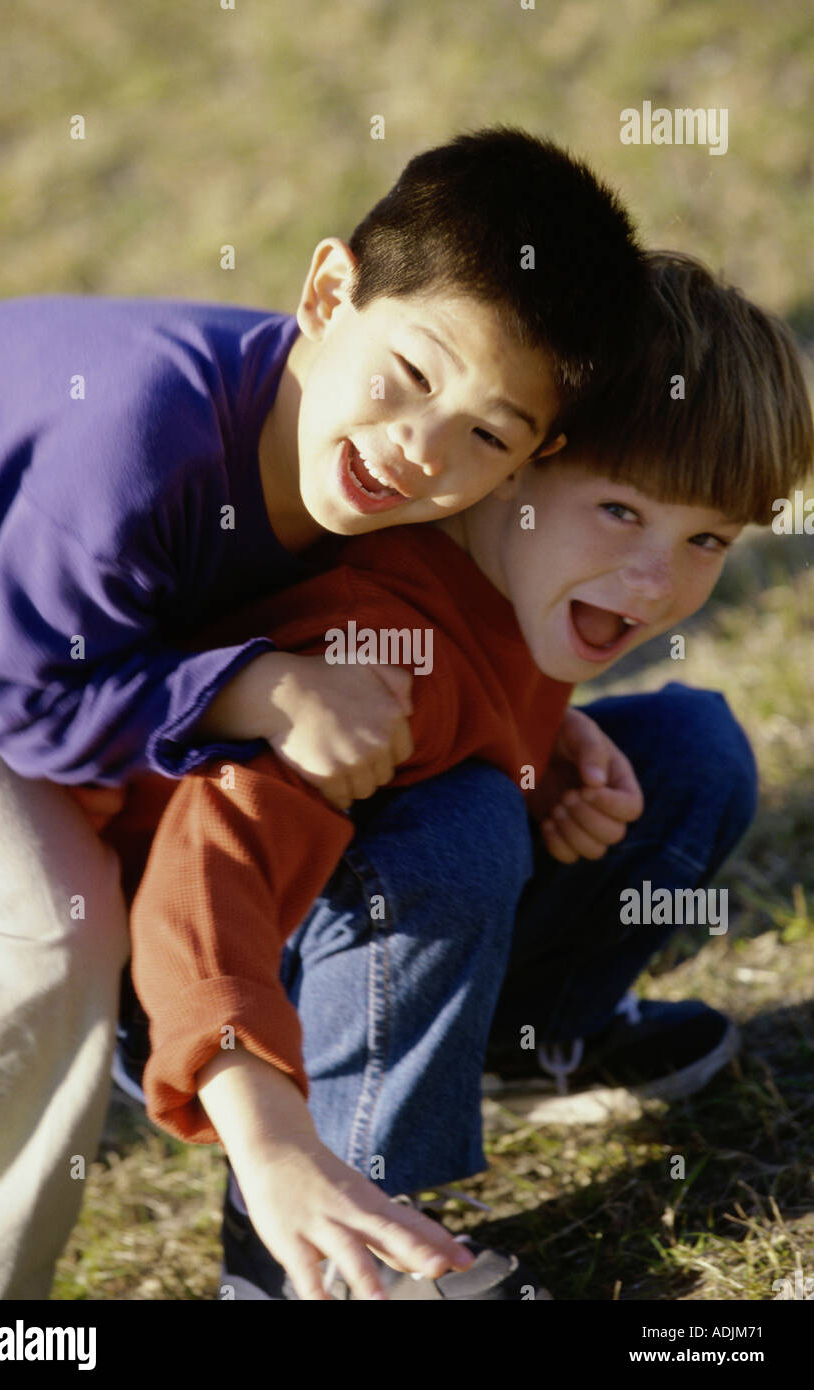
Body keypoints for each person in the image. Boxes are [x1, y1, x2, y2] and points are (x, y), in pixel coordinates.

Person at [0, 128, 646, 1298]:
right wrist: (246, 685)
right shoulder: (133, 447)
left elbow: (424, 620)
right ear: (328, 294)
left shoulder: (367, 466)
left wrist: (533, 720)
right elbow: (25, 699)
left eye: (485, 434)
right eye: (411, 374)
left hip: (35, 617)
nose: (414, 452)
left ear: (530, 457)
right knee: (51, 926)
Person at [115, 253, 814, 1299]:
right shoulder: (370, 646)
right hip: (207, 993)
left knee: (690, 749)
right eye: (620, 511)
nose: (655, 582)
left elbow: (471, 715)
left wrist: (547, 755)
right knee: (462, 824)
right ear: (515, 464)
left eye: (705, 538)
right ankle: (323, 1235)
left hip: (348, 931)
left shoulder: (518, 576)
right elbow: (198, 880)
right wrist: (269, 1143)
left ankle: (521, 1045)